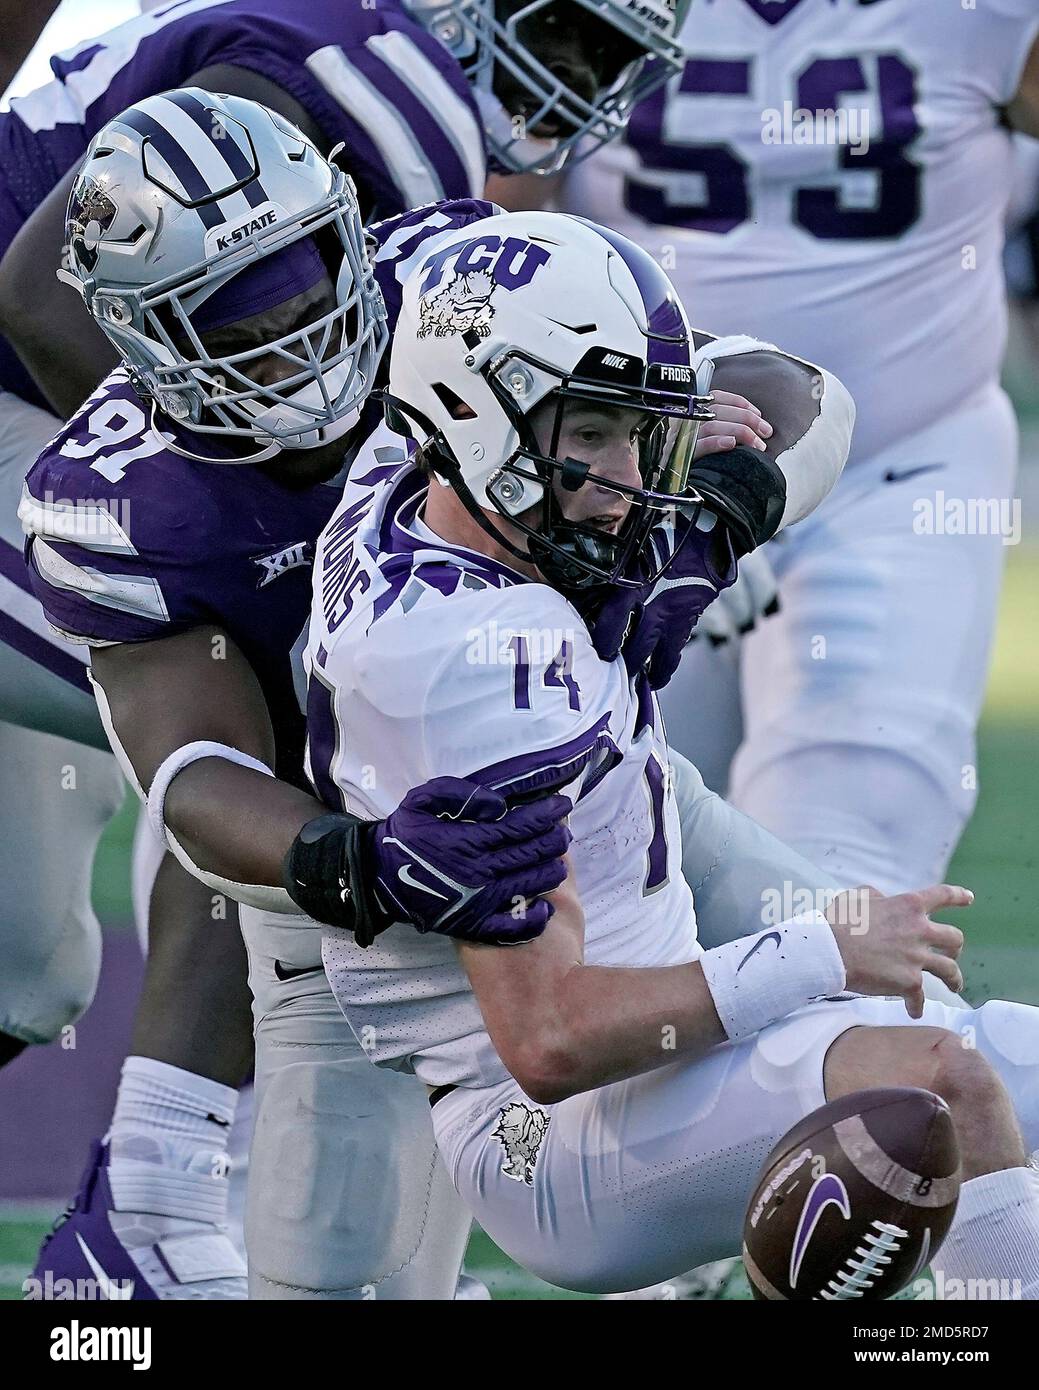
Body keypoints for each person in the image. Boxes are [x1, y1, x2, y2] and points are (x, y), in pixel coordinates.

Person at [4, 0, 682, 1295]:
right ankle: (149, 1205)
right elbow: (41, 295)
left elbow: (753, 392)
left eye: (609, 57)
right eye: (573, 36)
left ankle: (200, 1222)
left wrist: (710, 500)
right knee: (318, 701)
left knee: (24, 968)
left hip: (71, 401)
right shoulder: (382, 87)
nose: (581, 84)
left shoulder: (433, 211)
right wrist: (241, 481)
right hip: (54, 416)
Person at [304, 208, 1039, 1298]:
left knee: (987, 1062)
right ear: (474, 416)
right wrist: (819, 954)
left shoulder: (415, 471)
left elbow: (798, 390)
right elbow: (549, 1039)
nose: (627, 476)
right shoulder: (479, 665)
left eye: (638, 431)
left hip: (656, 964)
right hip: (555, 1134)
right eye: (591, 433)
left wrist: (712, 521)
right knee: (942, 1088)